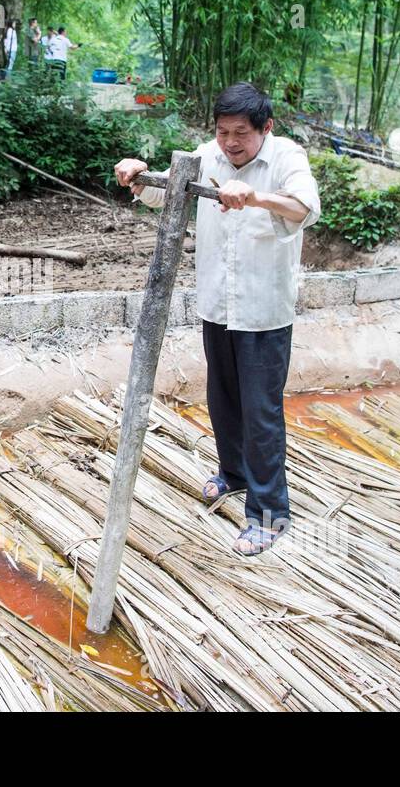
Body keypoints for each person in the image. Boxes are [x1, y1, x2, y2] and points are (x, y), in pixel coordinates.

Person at [114, 81, 320, 556]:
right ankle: (233, 474)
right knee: (222, 398)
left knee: (261, 412)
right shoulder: (209, 154)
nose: (231, 142)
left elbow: (304, 208)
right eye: (223, 131)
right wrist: (139, 175)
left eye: (241, 133)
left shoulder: (288, 158)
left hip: (264, 310)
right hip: (218, 303)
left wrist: (256, 196)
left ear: (266, 129)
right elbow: (170, 189)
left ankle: (269, 514)